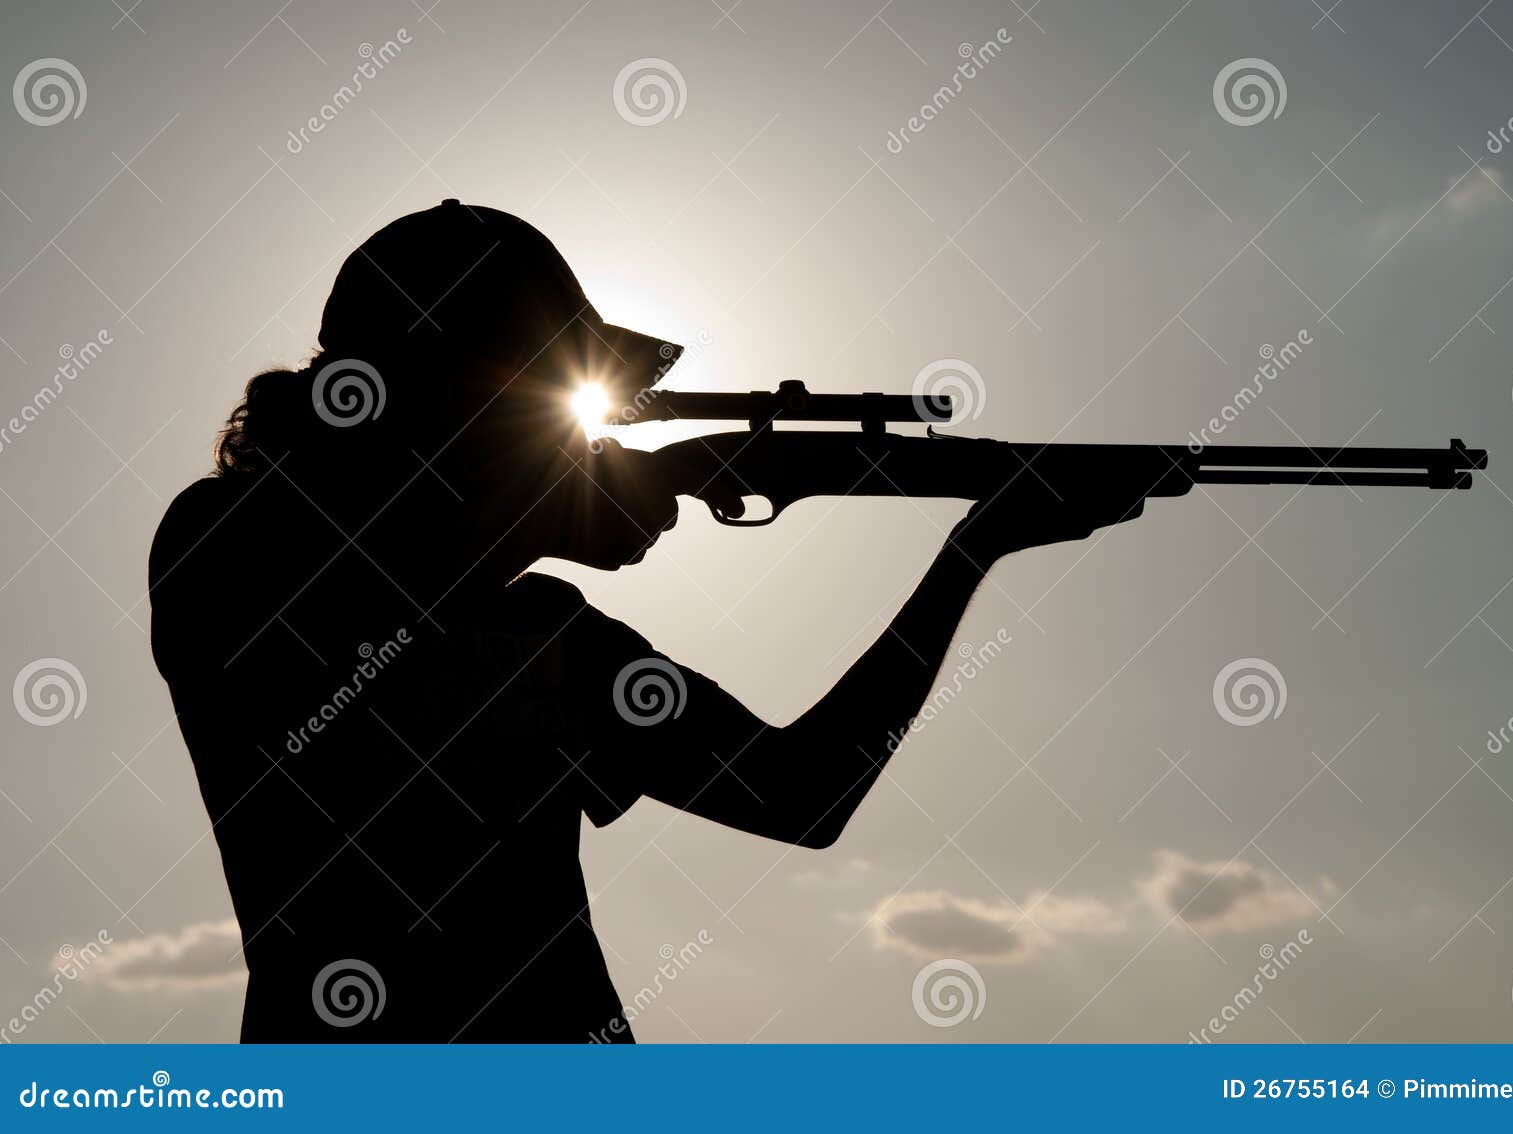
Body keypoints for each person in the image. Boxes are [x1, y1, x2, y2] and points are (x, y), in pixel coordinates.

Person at [148, 200, 1145, 1041]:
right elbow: (355, 611)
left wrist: (973, 552)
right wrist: (553, 512)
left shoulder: (559, 639)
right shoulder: (225, 549)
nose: (583, 441)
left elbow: (803, 797)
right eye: (545, 411)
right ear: (448, 398)